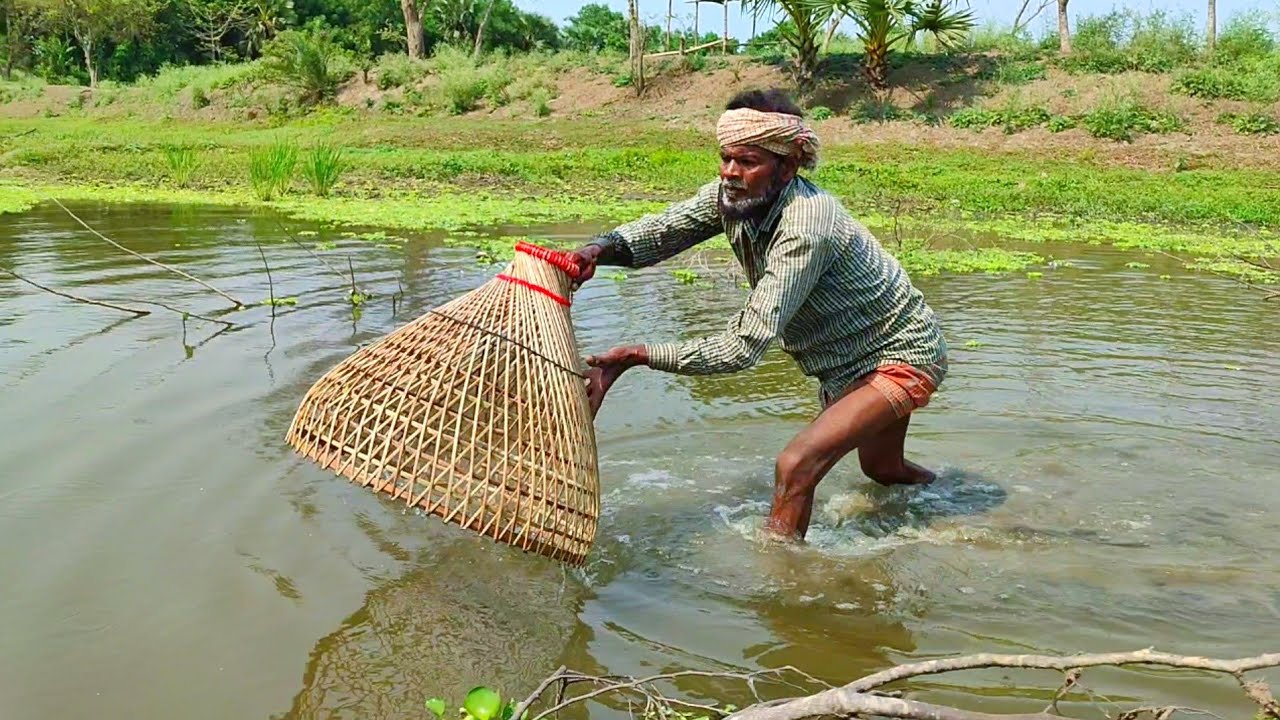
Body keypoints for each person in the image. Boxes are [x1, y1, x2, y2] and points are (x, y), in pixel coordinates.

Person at [568, 88, 949, 543]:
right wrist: (596, 250)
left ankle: (782, 585)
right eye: (726, 158)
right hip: (841, 364)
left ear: (786, 167)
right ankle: (955, 502)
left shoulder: (807, 225)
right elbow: (663, 230)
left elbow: (744, 346)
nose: (731, 173)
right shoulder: (732, 198)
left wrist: (639, 356)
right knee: (883, 470)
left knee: (796, 465)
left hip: (899, 354)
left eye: (747, 162)